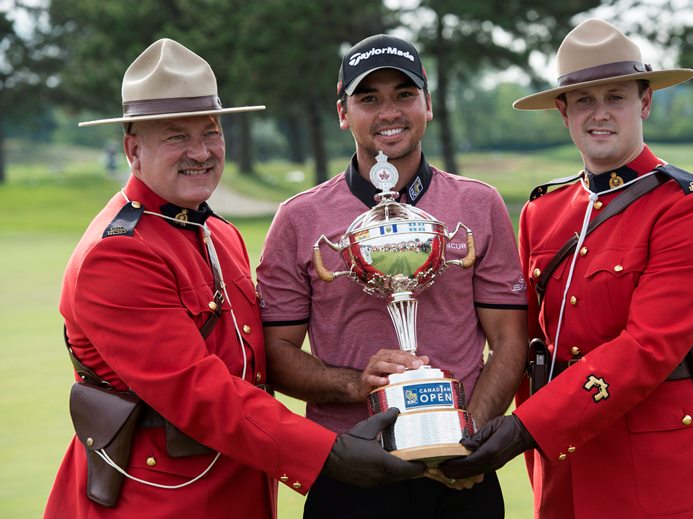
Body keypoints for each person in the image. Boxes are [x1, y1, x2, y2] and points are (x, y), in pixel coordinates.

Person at [44, 38, 424, 519]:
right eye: (176, 136)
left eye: (211, 132)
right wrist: (329, 454)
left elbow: (256, 361)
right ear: (132, 148)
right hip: (158, 499)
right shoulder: (118, 253)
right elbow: (202, 395)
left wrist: (358, 383)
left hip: (240, 485)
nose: (200, 152)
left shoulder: (217, 232)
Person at [440, 18, 693, 518]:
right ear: (563, 112)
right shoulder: (544, 210)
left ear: (645, 103)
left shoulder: (686, 207)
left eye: (616, 97)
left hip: (658, 471)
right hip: (562, 466)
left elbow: (648, 347)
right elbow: (521, 338)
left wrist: (526, 428)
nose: (599, 114)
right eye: (583, 100)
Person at [255, 34, 528, 518]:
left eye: (404, 94)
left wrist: (466, 443)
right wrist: (353, 384)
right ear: (343, 113)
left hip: (462, 477)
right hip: (349, 468)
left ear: (428, 104)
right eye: (368, 98)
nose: (389, 112)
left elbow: (509, 341)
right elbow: (274, 356)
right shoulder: (299, 218)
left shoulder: (478, 205)